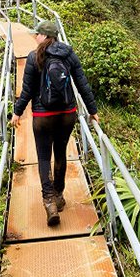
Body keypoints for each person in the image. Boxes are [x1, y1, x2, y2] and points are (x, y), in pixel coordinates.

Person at [10, 20, 98, 226]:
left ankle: (49, 201)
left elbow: (28, 90)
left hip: (43, 116)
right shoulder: (68, 54)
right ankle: (58, 195)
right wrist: (92, 110)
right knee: (60, 153)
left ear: (45, 36)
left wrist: (17, 112)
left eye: (37, 34)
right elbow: (82, 83)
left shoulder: (34, 57)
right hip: (67, 113)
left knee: (43, 157)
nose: (34, 37)